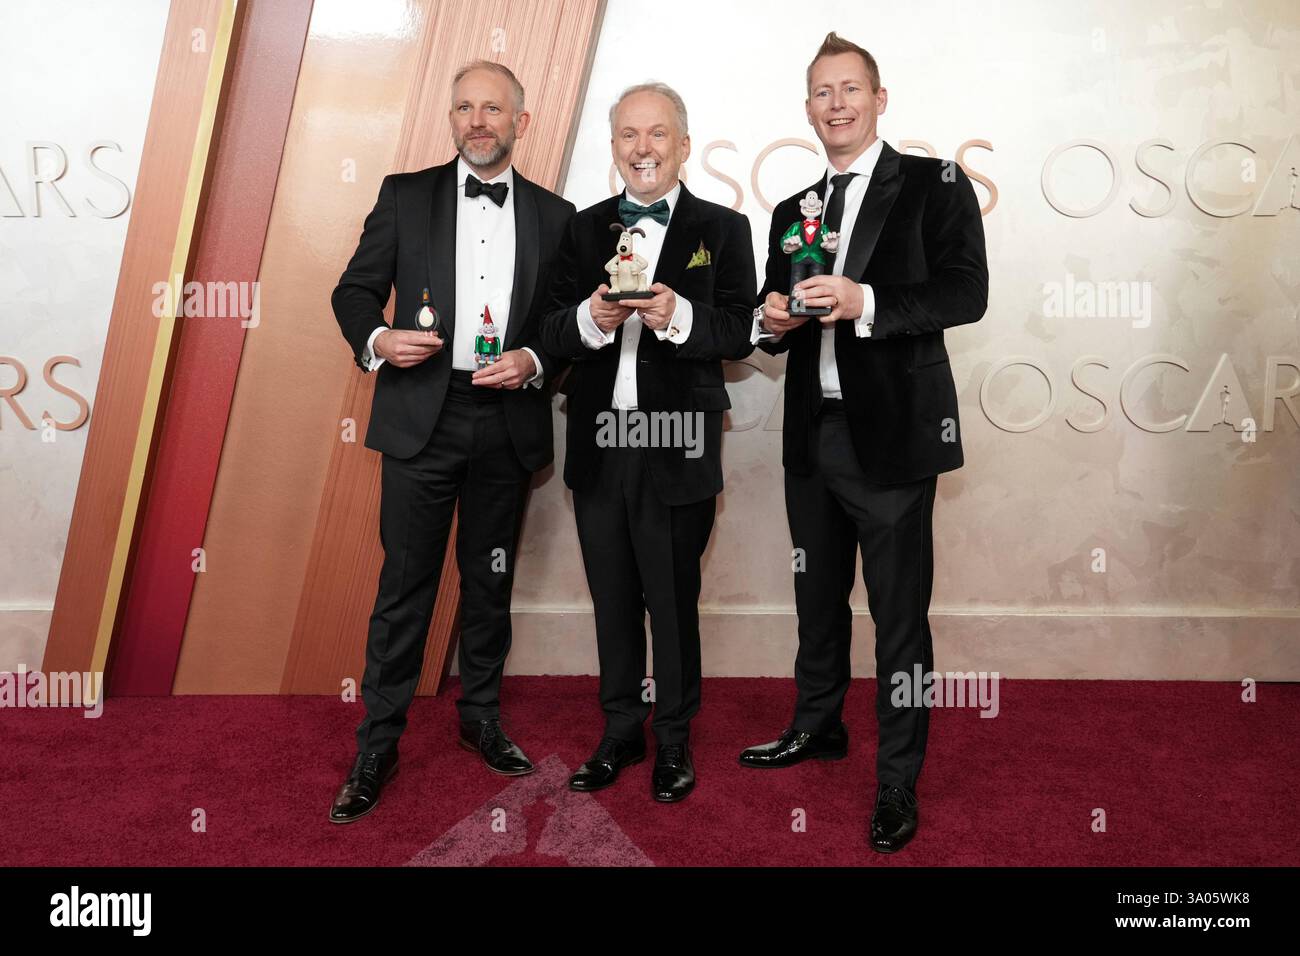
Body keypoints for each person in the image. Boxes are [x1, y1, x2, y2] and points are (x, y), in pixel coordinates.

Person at [738, 33, 988, 853]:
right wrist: (770, 321)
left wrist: (864, 299)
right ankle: (819, 727)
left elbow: (964, 292)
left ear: (880, 101)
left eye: (850, 89)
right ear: (807, 108)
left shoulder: (933, 182)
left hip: (892, 441)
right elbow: (778, 319)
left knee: (898, 619)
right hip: (814, 435)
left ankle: (897, 779)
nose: (836, 103)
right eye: (821, 92)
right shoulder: (789, 209)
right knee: (817, 601)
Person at [327, 60, 575, 824]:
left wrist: (535, 359)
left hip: (507, 418)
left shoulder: (557, 215)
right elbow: (354, 289)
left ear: (520, 124)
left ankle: (482, 718)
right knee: (406, 586)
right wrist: (376, 339)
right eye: (464, 106)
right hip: (419, 419)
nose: (477, 120)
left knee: (488, 582)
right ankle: (378, 742)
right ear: (452, 118)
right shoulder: (406, 194)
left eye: (493, 109)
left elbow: (570, 323)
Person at [540, 82, 755, 803]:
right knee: (612, 596)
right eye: (629, 135)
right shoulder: (583, 228)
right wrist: (592, 319)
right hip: (601, 441)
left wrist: (679, 315)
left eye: (657, 134)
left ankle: (674, 741)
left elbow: (741, 331)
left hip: (678, 443)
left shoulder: (723, 230)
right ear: (613, 149)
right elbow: (548, 332)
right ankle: (619, 732)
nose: (643, 148)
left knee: (671, 598)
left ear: (684, 146)